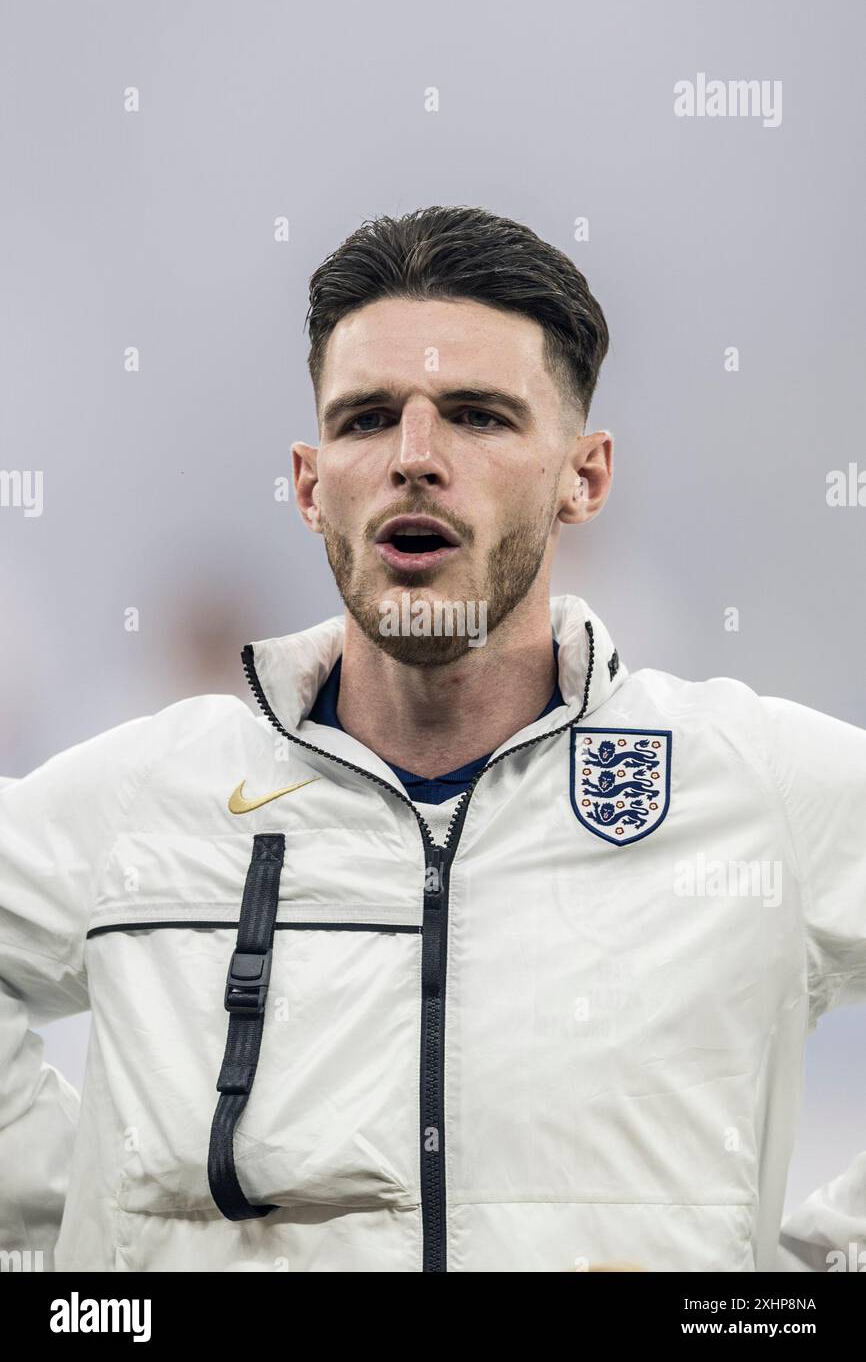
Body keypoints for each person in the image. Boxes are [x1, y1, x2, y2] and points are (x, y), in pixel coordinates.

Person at [1, 205, 864, 1273]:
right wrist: (83, 1251)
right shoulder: (153, 792)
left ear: (581, 479)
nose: (414, 456)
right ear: (311, 486)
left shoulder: (748, 785)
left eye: (477, 415)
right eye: (365, 418)